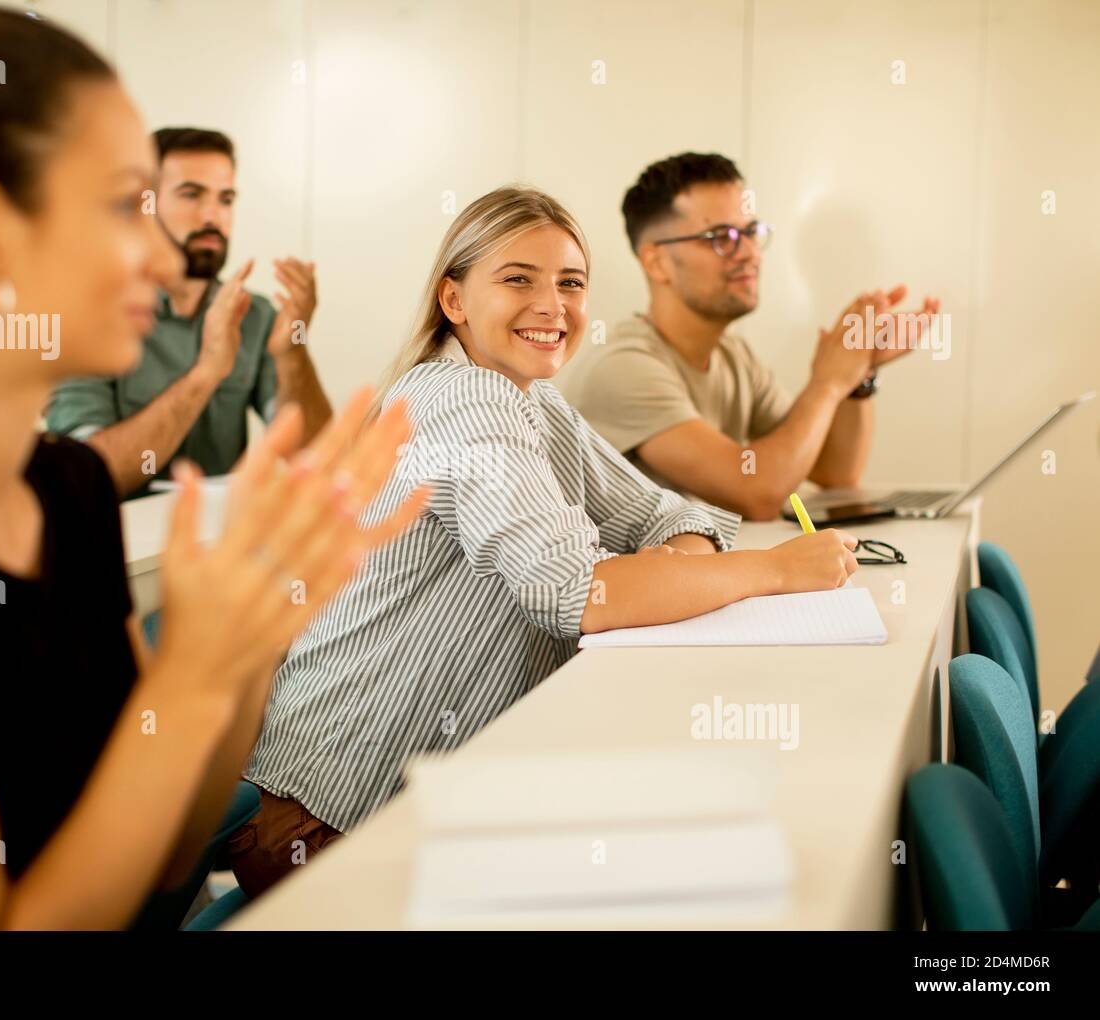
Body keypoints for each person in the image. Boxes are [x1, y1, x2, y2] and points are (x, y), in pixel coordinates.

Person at [0, 0, 423, 930]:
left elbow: (167, 852)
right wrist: (190, 676)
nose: (163, 247)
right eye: (124, 205)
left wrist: (244, 642)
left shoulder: (70, 489)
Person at [226, 185, 860, 898]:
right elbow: (577, 592)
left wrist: (652, 571)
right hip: (329, 825)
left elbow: (670, 518)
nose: (552, 305)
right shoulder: (462, 398)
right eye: (517, 279)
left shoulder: (529, 394)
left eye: (571, 283)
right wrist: (771, 572)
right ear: (454, 301)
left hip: (418, 799)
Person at [560, 152, 941, 520]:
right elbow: (758, 492)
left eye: (751, 232)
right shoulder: (623, 369)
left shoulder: (733, 354)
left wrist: (859, 374)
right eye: (720, 236)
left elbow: (834, 472)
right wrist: (827, 383)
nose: (749, 254)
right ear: (656, 262)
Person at [45, 126, 332, 499]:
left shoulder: (255, 314)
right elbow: (84, 474)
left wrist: (291, 352)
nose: (212, 215)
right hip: (120, 552)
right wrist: (206, 373)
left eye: (226, 199)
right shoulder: (88, 317)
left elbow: (317, 456)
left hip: (222, 546)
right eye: (191, 195)